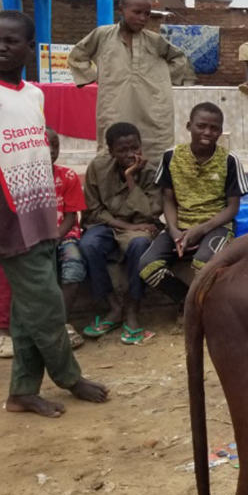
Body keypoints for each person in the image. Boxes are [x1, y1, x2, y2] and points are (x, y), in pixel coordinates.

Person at [0, 10, 108, 417]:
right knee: (46, 306)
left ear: (30, 47)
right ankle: (69, 376)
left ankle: (22, 391)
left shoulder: (34, 94)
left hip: (41, 210)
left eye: (10, 41)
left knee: (29, 310)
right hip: (3, 216)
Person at [69, 0, 192, 165]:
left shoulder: (154, 40)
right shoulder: (103, 36)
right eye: (137, 12)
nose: (142, 18)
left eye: (147, 14)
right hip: (115, 104)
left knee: (154, 154)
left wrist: (160, 79)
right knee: (112, 152)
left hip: (151, 108)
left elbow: (179, 58)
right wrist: (93, 76)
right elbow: (78, 56)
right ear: (121, 11)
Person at [140, 102, 248, 305]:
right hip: (179, 224)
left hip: (216, 225)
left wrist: (200, 229)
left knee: (204, 263)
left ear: (220, 131)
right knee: (147, 266)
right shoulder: (171, 156)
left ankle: (204, 308)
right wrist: (173, 230)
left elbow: (233, 207)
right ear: (189, 126)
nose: (207, 132)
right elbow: (168, 199)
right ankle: (187, 303)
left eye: (214, 128)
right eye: (201, 126)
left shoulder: (229, 160)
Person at [79, 122, 163, 345]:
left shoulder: (150, 172)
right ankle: (113, 307)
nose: (130, 154)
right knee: (88, 245)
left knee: (140, 244)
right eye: (122, 150)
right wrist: (127, 226)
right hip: (106, 225)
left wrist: (130, 177)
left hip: (139, 229)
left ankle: (133, 310)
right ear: (111, 151)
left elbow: (150, 212)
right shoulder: (97, 168)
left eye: (135, 148)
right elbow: (92, 210)